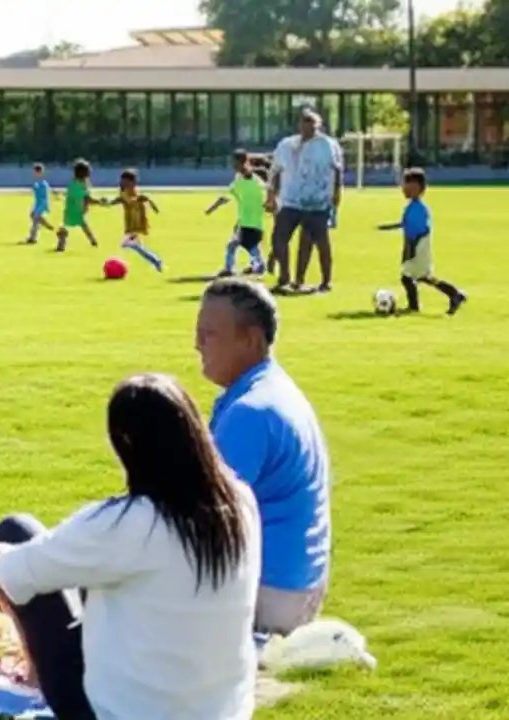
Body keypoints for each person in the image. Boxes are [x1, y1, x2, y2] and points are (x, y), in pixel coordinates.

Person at [0, 374, 260, 720]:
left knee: (16, 532)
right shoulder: (239, 504)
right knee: (79, 571)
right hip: (220, 710)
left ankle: (33, 671)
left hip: (121, 712)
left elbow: (11, 569)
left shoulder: (129, 525)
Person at [195, 278, 333, 634]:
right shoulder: (270, 389)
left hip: (270, 594)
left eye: (208, 334)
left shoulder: (251, 412)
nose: (196, 345)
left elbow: (199, 512)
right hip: (294, 583)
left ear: (251, 339)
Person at [266, 107, 343, 294]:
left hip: (317, 201)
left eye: (312, 123)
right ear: (299, 124)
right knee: (279, 238)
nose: (308, 126)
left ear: (318, 125)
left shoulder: (328, 145)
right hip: (291, 201)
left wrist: (336, 194)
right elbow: (275, 171)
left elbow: (337, 170)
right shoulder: (286, 145)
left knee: (315, 242)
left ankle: (321, 281)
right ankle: (284, 277)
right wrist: (271, 196)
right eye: (304, 121)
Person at [376, 167, 467, 315]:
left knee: (408, 277)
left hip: (418, 247)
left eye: (406, 185)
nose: (403, 188)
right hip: (417, 247)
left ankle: (415, 306)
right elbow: (407, 224)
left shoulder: (418, 208)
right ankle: (454, 294)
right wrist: (391, 227)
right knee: (422, 277)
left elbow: (418, 228)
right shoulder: (414, 207)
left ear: (416, 187)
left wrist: (412, 247)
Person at [207, 149, 268, 277]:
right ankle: (254, 264)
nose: (233, 166)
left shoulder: (253, 179)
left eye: (235, 163)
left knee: (240, 244)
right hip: (247, 219)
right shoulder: (242, 179)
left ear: (243, 162)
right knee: (245, 244)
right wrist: (213, 208)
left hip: (251, 220)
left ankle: (250, 265)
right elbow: (228, 195)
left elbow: (266, 193)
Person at [108, 168, 163, 272]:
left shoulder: (133, 193)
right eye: (122, 180)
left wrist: (151, 204)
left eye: (125, 181)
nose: (122, 183)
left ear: (132, 182)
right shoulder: (125, 192)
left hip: (135, 224)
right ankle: (155, 261)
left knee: (127, 244)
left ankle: (155, 261)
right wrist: (110, 202)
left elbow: (136, 200)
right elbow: (122, 200)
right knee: (134, 245)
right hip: (130, 224)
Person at [53, 159, 101, 253]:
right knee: (82, 225)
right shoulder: (78, 185)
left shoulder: (75, 183)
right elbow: (86, 198)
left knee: (66, 226)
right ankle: (93, 241)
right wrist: (99, 202)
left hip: (70, 209)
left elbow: (84, 196)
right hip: (76, 210)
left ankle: (61, 244)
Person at [23, 163, 54, 245]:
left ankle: (33, 237)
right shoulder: (37, 182)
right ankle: (44, 227)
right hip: (37, 203)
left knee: (36, 219)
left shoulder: (43, 183)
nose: (35, 173)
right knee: (34, 217)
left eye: (36, 172)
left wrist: (45, 205)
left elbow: (45, 196)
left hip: (42, 204)